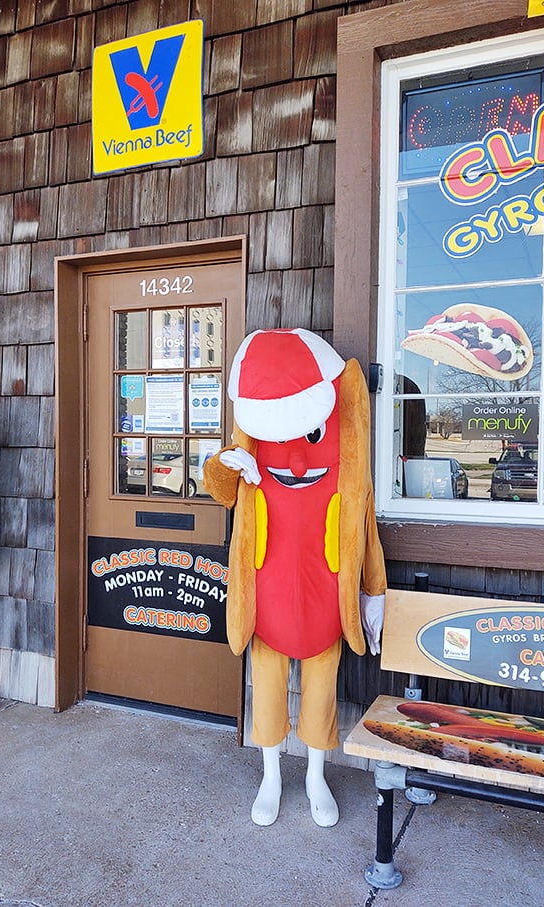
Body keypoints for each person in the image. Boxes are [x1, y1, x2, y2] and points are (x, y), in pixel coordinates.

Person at [203, 329, 387, 827]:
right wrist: (223, 465)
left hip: (326, 600)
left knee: (322, 690)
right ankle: (270, 775)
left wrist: (373, 592)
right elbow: (220, 491)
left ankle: (315, 774)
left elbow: (366, 528)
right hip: (267, 600)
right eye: (284, 440)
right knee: (266, 688)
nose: (299, 461)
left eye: (308, 437)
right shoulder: (251, 460)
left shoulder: (347, 472)